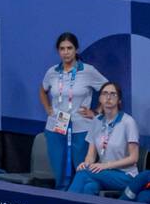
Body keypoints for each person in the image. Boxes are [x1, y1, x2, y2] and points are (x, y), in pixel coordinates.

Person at [39, 33, 107, 188]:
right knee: (59, 167)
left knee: (82, 168)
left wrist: (96, 111)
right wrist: (48, 108)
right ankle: (62, 201)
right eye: (62, 49)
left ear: (76, 50)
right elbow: (42, 90)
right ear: (58, 51)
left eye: (69, 48)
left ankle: (79, 202)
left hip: (81, 127)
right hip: (56, 126)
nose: (66, 52)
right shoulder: (52, 72)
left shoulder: (88, 71)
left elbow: (108, 88)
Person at [67, 83, 139, 194]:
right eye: (105, 93)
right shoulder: (96, 121)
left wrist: (106, 165)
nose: (108, 97)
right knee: (89, 187)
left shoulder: (128, 122)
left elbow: (134, 158)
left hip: (125, 175)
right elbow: (91, 155)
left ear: (119, 100)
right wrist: (86, 164)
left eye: (113, 94)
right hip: (103, 172)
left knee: (84, 173)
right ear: (100, 99)